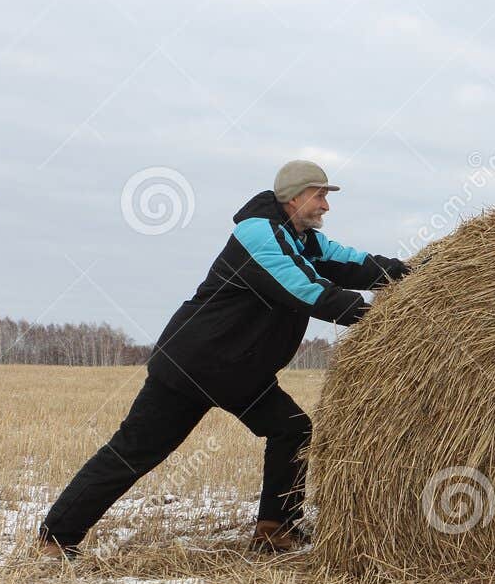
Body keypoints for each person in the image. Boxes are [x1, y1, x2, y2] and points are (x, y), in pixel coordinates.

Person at [37, 160, 409, 558]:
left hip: (242, 373)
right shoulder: (259, 237)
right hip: (194, 365)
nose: (326, 206)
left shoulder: (304, 240)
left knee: (291, 429)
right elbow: (307, 290)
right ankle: (56, 538)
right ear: (295, 196)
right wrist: (382, 318)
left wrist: (413, 276)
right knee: (135, 451)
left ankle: (275, 529)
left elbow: (353, 263)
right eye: (320, 196)